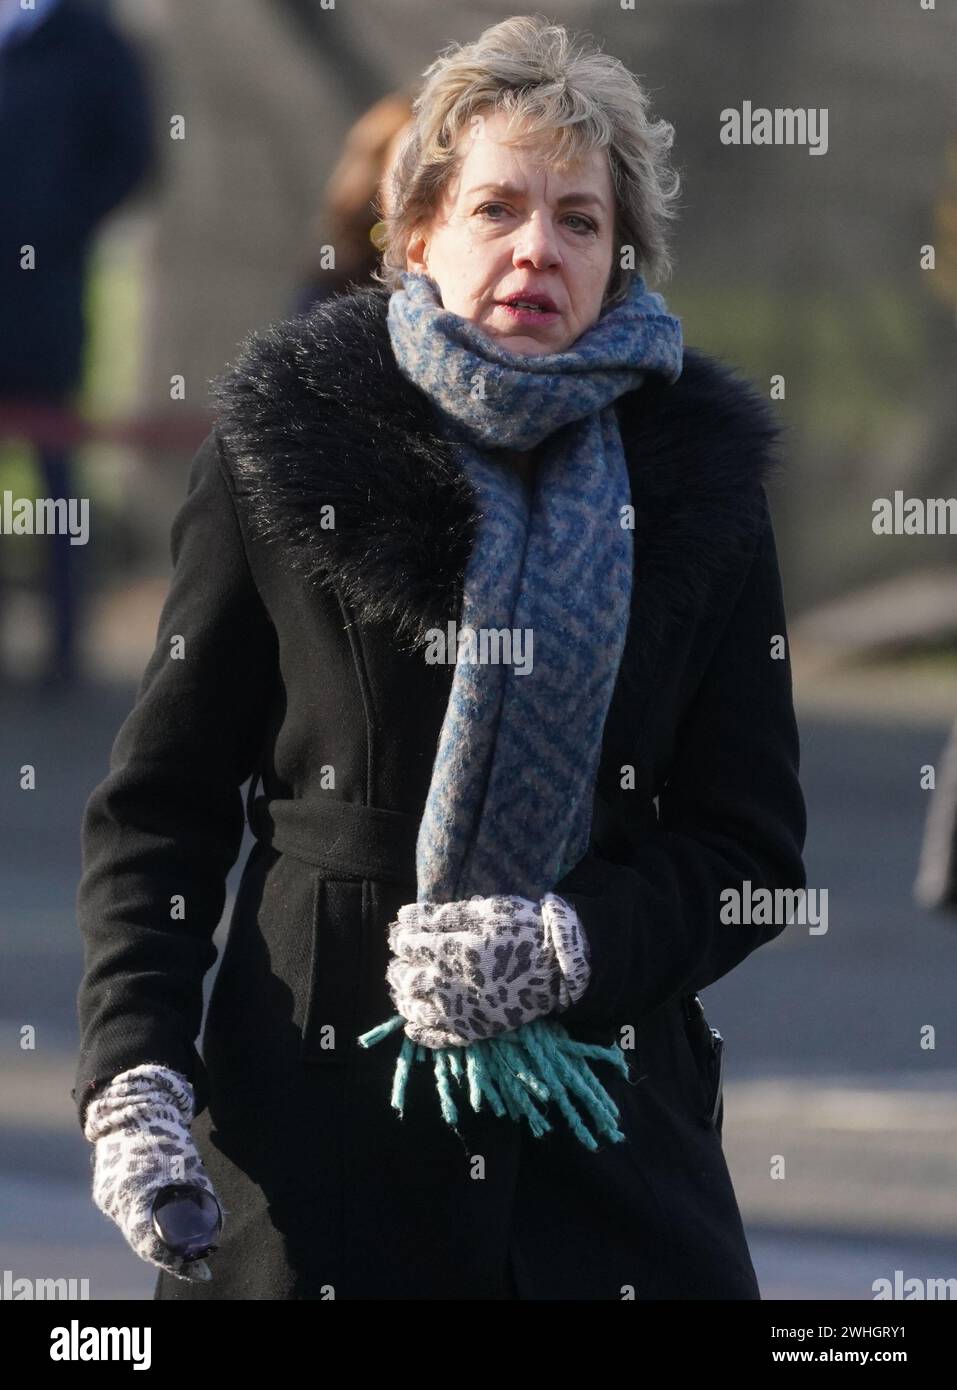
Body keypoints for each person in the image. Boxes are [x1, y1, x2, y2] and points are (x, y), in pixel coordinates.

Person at [73, 15, 807, 1301]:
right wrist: (135, 1073)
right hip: (317, 1146)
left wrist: (568, 945)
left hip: (605, 1141)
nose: (539, 248)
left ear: (620, 257)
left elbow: (749, 849)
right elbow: (161, 808)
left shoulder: (701, 484)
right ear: (416, 234)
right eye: (497, 207)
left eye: (580, 220)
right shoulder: (284, 448)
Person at [0, 0, 155, 683]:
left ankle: (64, 644)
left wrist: (57, 227)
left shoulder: (93, 40)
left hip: (47, 296)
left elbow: (132, 153)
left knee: (55, 461)